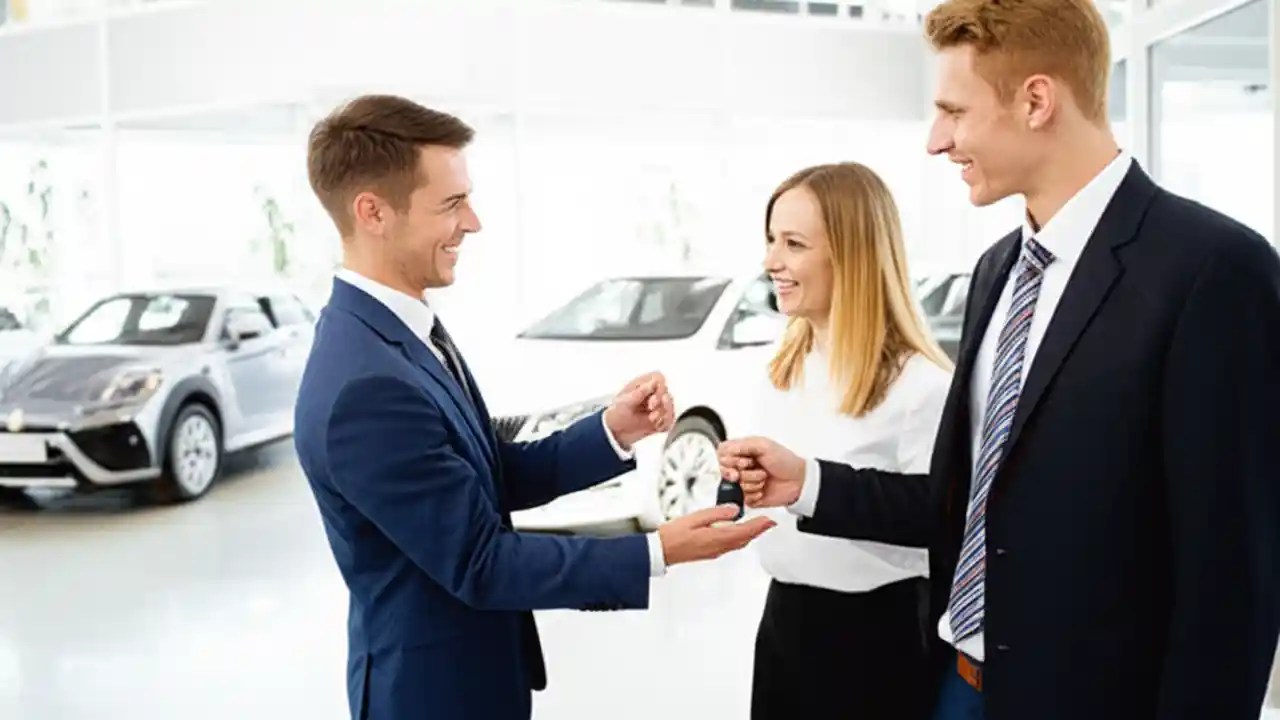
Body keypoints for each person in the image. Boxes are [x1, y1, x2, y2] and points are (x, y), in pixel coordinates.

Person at [718, 0, 1280, 718]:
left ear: (1036, 100)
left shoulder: (1212, 269)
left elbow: (1231, 577)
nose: (935, 140)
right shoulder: (998, 271)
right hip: (956, 682)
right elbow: (963, 503)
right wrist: (808, 482)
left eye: (954, 111)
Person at [293, 94, 776, 720]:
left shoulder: (398, 332)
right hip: (433, 695)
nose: (473, 222)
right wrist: (658, 550)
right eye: (451, 203)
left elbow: (487, 471)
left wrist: (611, 432)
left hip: (474, 674)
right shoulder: (365, 384)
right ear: (373, 212)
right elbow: (480, 561)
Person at [746, 162, 952, 720]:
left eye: (793, 244)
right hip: (785, 624)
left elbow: (936, 517)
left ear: (851, 253)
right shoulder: (782, 367)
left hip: (874, 643)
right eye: (771, 240)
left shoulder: (922, 385)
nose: (771, 262)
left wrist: (807, 483)